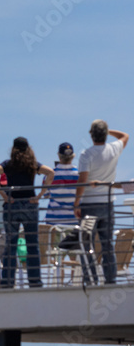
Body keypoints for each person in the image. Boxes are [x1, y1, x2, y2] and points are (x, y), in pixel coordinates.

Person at [0, 137, 53, 289]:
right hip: (30, 204)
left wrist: (4, 195)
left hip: (12, 205)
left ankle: (8, 282)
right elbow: (50, 173)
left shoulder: (8, 164)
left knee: (11, 245)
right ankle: (35, 281)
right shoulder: (32, 165)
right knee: (32, 245)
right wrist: (39, 196)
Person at [73, 121, 129, 285]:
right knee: (107, 244)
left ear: (91, 135)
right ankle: (110, 280)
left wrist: (77, 203)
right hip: (108, 203)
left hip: (89, 205)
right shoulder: (114, 149)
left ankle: (91, 280)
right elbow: (125, 136)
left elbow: (82, 180)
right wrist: (107, 131)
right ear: (104, 134)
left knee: (86, 244)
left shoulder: (86, 154)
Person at [45, 142, 79, 228]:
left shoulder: (50, 174)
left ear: (59, 155)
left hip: (54, 222)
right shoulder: (80, 175)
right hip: (75, 220)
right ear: (73, 156)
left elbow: (45, 195)